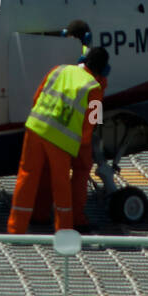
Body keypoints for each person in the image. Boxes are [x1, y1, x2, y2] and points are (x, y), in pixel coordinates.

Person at [8, 48, 109, 234]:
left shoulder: (59, 70)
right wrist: (82, 149)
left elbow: (36, 98)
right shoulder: (94, 88)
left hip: (35, 127)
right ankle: (64, 229)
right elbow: (91, 126)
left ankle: (16, 228)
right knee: (61, 184)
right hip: (59, 139)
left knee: (27, 176)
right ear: (103, 71)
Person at [34, 20, 101, 229]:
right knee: (79, 175)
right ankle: (75, 220)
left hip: (51, 128)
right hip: (80, 135)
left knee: (47, 173)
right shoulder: (93, 63)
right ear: (87, 38)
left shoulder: (56, 57)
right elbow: (95, 109)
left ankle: (40, 214)